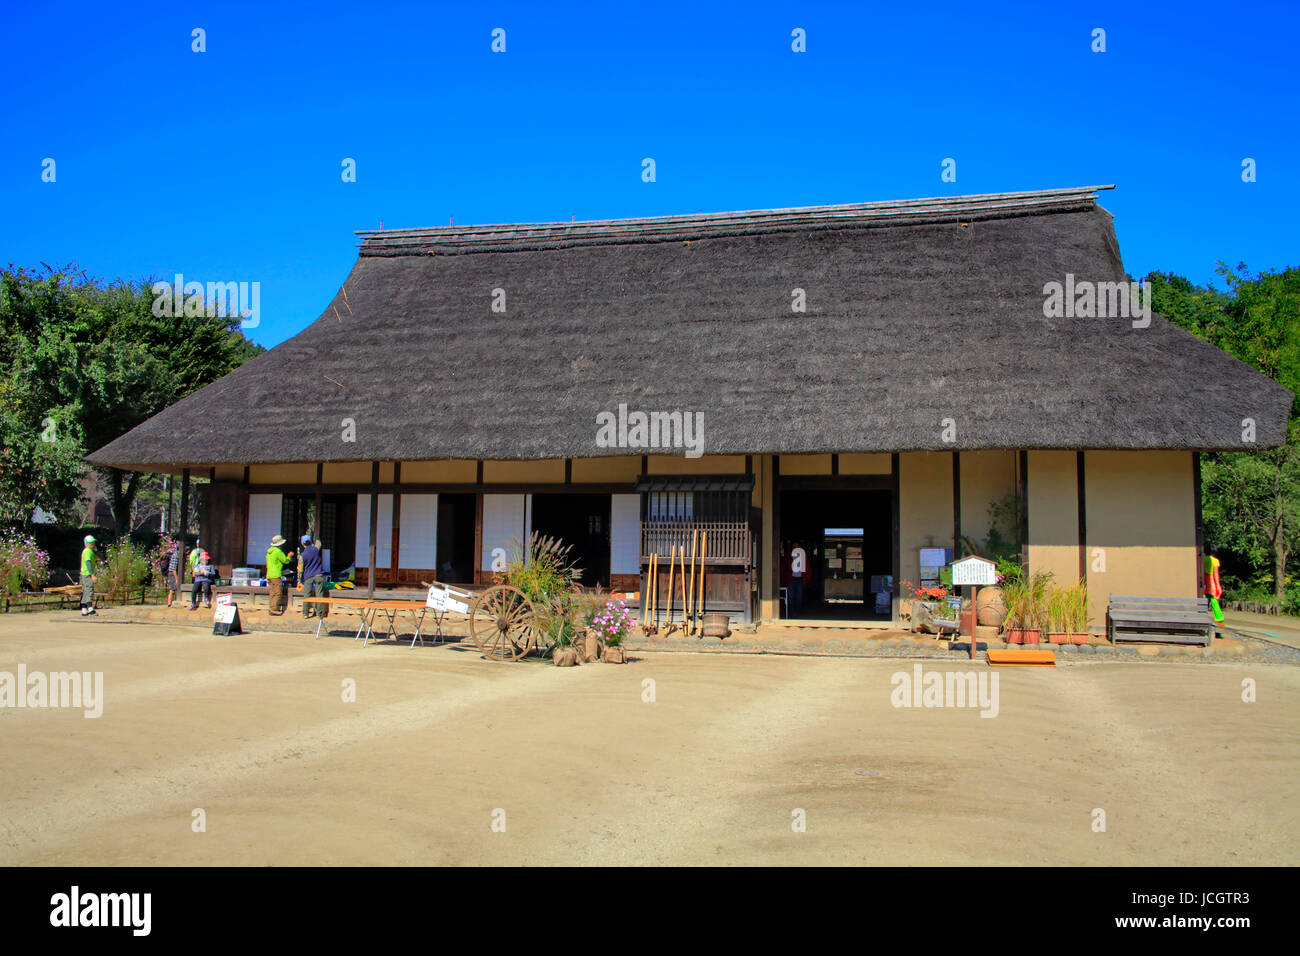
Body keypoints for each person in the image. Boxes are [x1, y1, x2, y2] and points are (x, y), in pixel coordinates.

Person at [266, 534, 295, 616]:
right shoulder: (278, 552)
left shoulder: (269, 552)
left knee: (272, 592)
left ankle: (271, 607)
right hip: (276, 575)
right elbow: (285, 561)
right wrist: (289, 556)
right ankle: (274, 609)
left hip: (269, 575)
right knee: (278, 592)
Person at [300, 534, 326, 619]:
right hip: (319, 574)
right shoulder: (316, 549)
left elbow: (300, 569)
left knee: (307, 594)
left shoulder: (302, 555)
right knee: (319, 594)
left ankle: (305, 613)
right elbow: (319, 543)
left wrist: (299, 579)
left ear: (302, 543)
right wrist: (317, 536)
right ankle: (320, 614)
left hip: (308, 576)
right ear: (311, 541)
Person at [79, 535, 98, 616]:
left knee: (86, 591)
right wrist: (92, 575)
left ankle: (84, 609)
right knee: (89, 590)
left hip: (85, 574)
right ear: (86, 544)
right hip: (87, 574)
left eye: (93, 542)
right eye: (90, 543)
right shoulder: (87, 551)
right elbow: (88, 563)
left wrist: (96, 551)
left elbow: (101, 558)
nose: (92, 544)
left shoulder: (91, 551)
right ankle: (90, 608)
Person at [789, 541, 808, 614]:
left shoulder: (803, 557)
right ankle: (791, 612)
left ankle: (797, 611)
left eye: (797, 547)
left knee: (799, 597)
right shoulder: (789, 556)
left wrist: (806, 578)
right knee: (791, 596)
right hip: (791, 579)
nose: (796, 548)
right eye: (794, 547)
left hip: (800, 579)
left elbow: (807, 568)